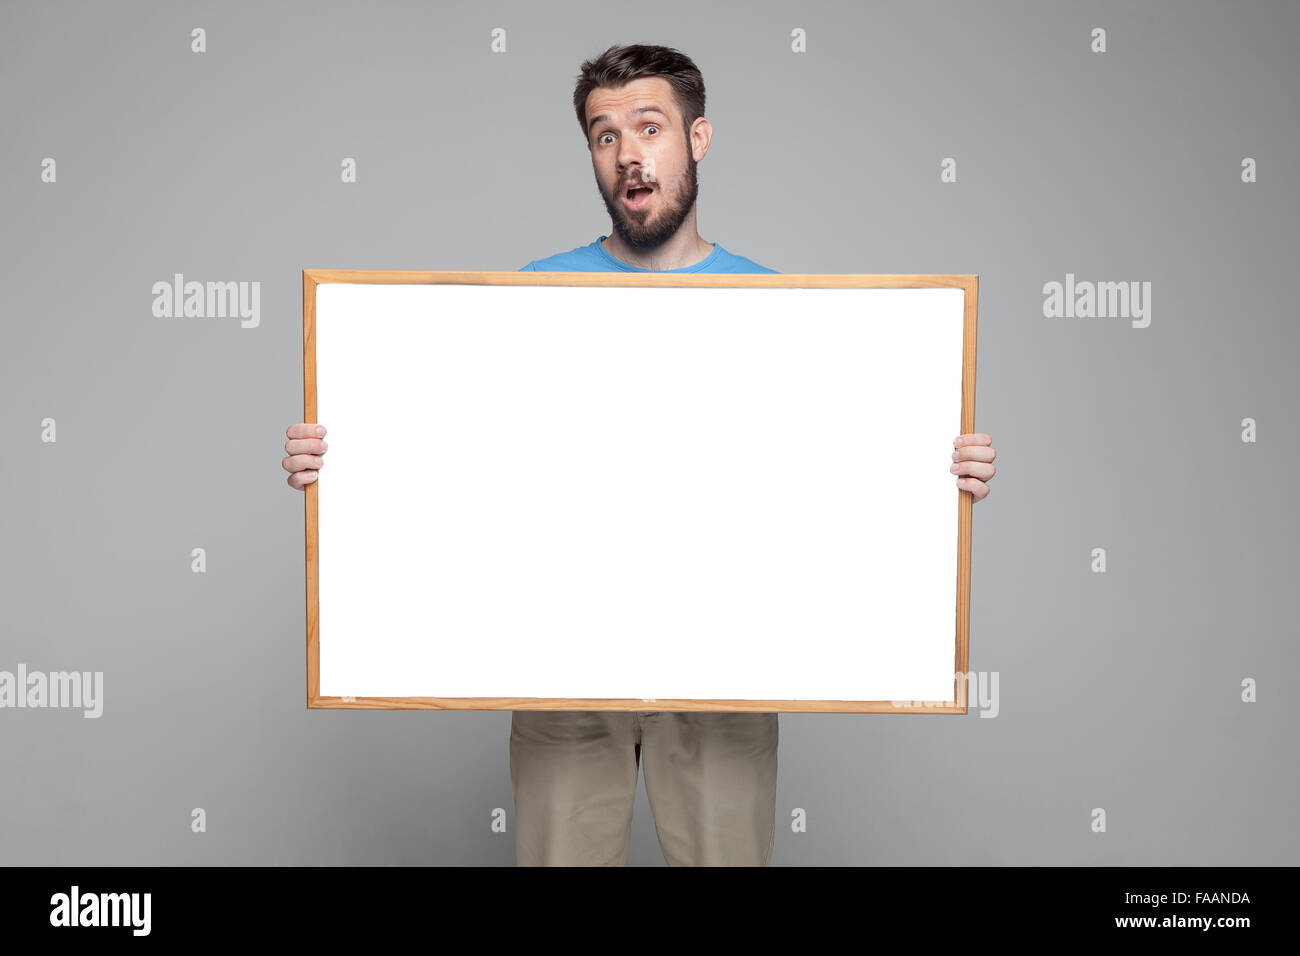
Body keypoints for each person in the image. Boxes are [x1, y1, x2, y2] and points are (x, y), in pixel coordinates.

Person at [282, 43, 997, 866]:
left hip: (729, 663)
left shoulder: (780, 309)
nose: (627, 154)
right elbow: (466, 466)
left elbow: (825, 485)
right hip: (561, 659)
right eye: (603, 134)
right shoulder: (534, 296)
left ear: (697, 139)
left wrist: (938, 471)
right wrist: (341, 462)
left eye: (649, 128)